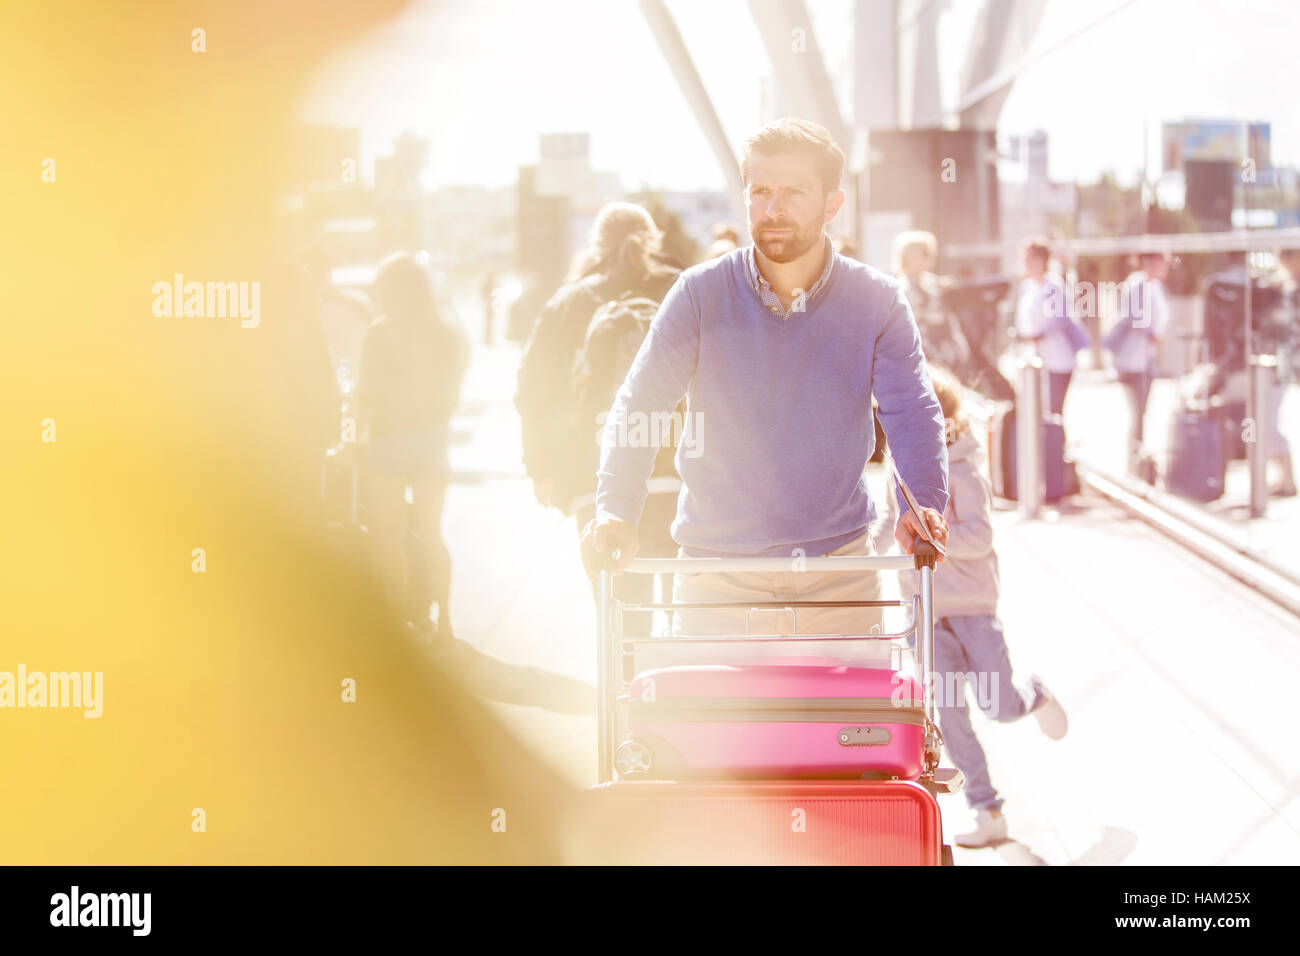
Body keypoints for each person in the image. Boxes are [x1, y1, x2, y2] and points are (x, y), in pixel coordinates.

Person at [583, 118, 950, 638]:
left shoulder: (877, 300)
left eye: (794, 192)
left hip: (838, 577)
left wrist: (923, 503)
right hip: (717, 576)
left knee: (852, 721)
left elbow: (911, 409)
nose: (773, 209)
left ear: (831, 204)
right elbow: (642, 403)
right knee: (709, 723)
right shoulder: (698, 294)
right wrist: (616, 508)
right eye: (760, 191)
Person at [872, 365, 1068, 848]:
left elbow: (980, 537)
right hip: (927, 612)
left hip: (973, 607)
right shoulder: (897, 475)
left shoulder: (963, 471)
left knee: (998, 706)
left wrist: (930, 539)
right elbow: (883, 531)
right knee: (952, 715)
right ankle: (988, 810)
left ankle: (1034, 696)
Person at [515, 202, 681, 631]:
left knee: (619, 611)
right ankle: (681, 689)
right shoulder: (682, 290)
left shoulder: (568, 304)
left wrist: (542, 467)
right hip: (681, 470)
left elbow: (534, 388)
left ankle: (627, 690)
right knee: (690, 609)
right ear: (653, 240)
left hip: (596, 478)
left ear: (597, 245)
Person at [355, 252, 469, 641]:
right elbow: (452, 393)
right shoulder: (445, 331)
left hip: (387, 443)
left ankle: (400, 625)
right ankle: (447, 625)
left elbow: (366, 393)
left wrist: (355, 433)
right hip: (430, 444)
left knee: (390, 537)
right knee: (431, 533)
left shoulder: (379, 331)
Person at [1106, 252, 1171, 474]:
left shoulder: (1155, 287)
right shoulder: (1138, 285)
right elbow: (1138, 318)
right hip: (1132, 360)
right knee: (1137, 413)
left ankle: (1137, 460)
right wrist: (1152, 333)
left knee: (1141, 413)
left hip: (1146, 359)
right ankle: (1133, 462)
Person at [893, 230, 973, 381]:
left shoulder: (935, 285)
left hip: (944, 355)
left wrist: (958, 347)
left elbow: (949, 320)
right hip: (916, 355)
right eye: (925, 254)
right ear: (911, 256)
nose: (930, 259)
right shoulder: (899, 288)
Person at [1015, 238, 1076, 417]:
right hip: (1033, 358)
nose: (1025, 263)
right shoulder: (1027, 286)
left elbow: (1060, 319)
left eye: (1029, 258)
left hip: (1056, 359)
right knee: (1037, 411)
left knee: (1054, 412)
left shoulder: (1053, 285)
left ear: (1042, 260)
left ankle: (1058, 445)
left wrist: (1038, 335)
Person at [1267, 248, 1300, 496]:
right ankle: (1286, 479)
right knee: (1268, 421)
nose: (1284, 262)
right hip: (1287, 364)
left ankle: (1287, 479)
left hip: (1289, 364)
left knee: (1269, 422)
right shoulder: (1286, 288)